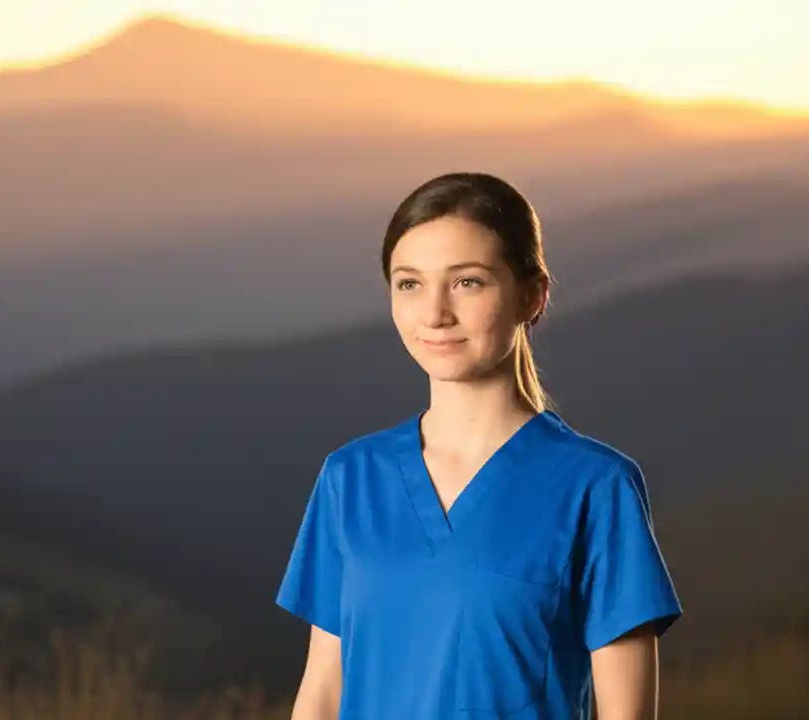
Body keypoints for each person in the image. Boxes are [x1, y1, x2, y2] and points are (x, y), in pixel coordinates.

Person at [276, 172, 683, 719]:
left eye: (467, 282)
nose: (435, 314)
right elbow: (323, 693)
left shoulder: (595, 488)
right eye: (410, 283)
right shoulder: (351, 479)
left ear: (532, 296)